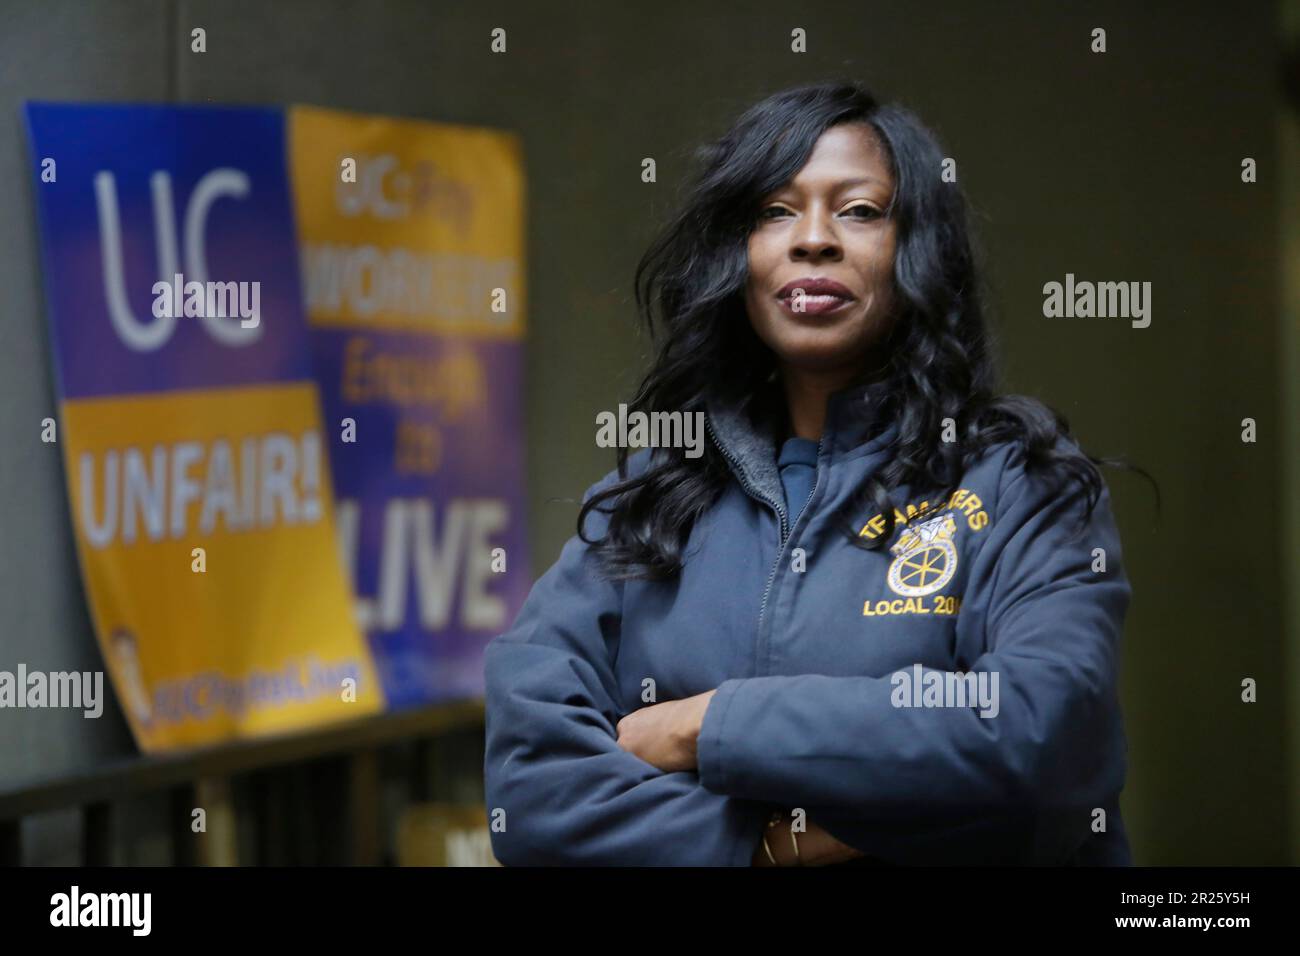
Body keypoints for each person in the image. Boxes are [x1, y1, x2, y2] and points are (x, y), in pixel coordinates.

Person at [483, 80, 1138, 866]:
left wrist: (711, 726)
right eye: (775, 211)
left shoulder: (1017, 482)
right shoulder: (651, 497)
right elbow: (531, 796)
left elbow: (1043, 741)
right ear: (739, 254)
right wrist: (777, 848)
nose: (814, 239)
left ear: (917, 249)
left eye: (859, 210)